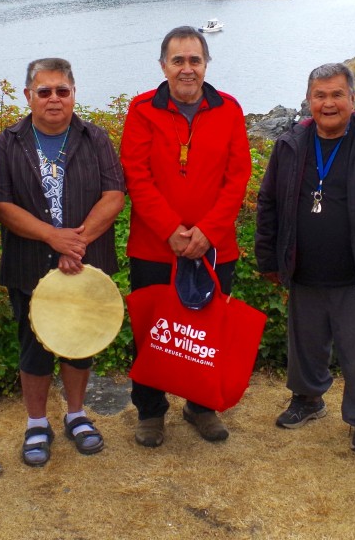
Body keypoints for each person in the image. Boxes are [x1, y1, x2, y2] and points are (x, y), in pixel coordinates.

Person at [255, 63, 355, 453]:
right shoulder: (290, 145)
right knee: (305, 345)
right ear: (309, 100)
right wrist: (269, 258)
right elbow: (268, 202)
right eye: (320, 95)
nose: (329, 103)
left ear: (353, 98)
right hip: (304, 269)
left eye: (337, 94)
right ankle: (308, 399)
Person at [120, 25, 252, 447]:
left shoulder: (229, 109)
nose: (187, 69)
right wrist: (171, 231)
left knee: (207, 331)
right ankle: (151, 411)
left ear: (206, 64)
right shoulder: (141, 110)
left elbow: (238, 177)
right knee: (153, 331)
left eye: (195, 60)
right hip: (154, 246)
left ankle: (201, 405)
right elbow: (136, 176)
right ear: (163, 66)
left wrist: (208, 232)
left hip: (215, 248)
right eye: (178, 60)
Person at [0, 58, 126, 466]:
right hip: (30, 261)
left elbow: (114, 193)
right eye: (44, 91)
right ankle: (36, 423)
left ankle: (76, 415)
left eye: (62, 91)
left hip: (85, 261)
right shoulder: (7, 142)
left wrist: (77, 241)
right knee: (33, 347)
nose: (54, 99)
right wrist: (52, 236)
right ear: (28, 95)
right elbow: (1, 204)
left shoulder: (95, 137)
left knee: (80, 345)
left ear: (73, 93)